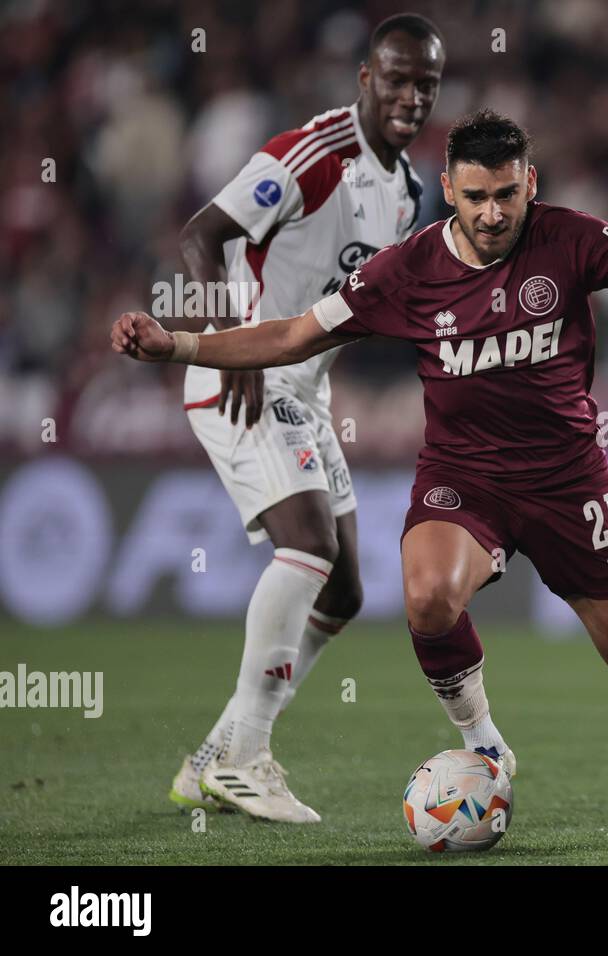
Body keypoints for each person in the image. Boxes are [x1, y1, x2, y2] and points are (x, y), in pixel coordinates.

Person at [113, 109, 608, 839]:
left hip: (568, 482)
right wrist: (178, 345)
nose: (492, 213)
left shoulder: (573, 238)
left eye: (507, 195)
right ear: (447, 188)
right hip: (463, 478)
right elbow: (293, 333)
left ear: (529, 185)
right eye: (476, 196)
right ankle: (483, 742)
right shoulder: (405, 270)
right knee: (427, 599)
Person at [168, 14, 445, 823]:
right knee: (310, 547)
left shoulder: (406, 191)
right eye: (396, 79)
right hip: (245, 376)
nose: (410, 96)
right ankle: (247, 757)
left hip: (305, 390)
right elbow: (202, 235)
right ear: (366, 78)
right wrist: (229, 344)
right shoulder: (313, 154)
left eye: (425, 84)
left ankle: (214, 756)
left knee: (348, 588)